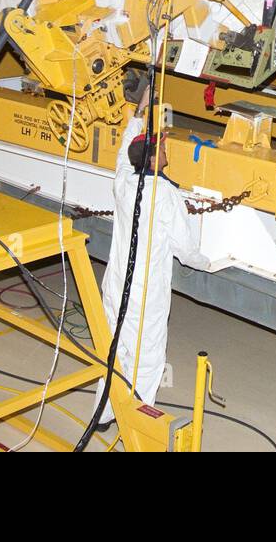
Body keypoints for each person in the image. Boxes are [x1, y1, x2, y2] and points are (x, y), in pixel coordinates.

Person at [98, 84, 211, 423]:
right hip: (146, 296)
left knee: (115, 351)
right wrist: (208, 264)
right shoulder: (163, 194)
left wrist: (141, 108)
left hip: (117, 288)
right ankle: (139, 427)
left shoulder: (123, 180)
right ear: (151, 159)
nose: (166, 150)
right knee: (148, 360)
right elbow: (185, 248)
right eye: (161, 147)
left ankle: (103, 414)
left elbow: (124, 150)